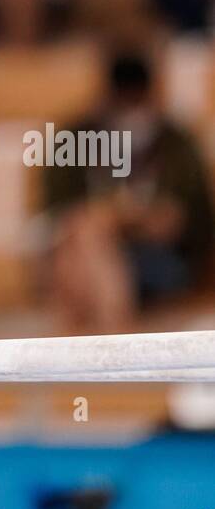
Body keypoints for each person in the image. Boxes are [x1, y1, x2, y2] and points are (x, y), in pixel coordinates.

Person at [43, 49, 215, 334]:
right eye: (124, 103)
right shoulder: (75, 139)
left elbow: (185, 221)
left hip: (160, 263)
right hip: (88, 250)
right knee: (83, 236)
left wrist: (123, 219)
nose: (131, 113)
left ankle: (101, 321)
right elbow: (57, 213)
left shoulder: (176, 142)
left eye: (136, 102)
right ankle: (113, 318)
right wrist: (115, 218)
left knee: (86, 238)